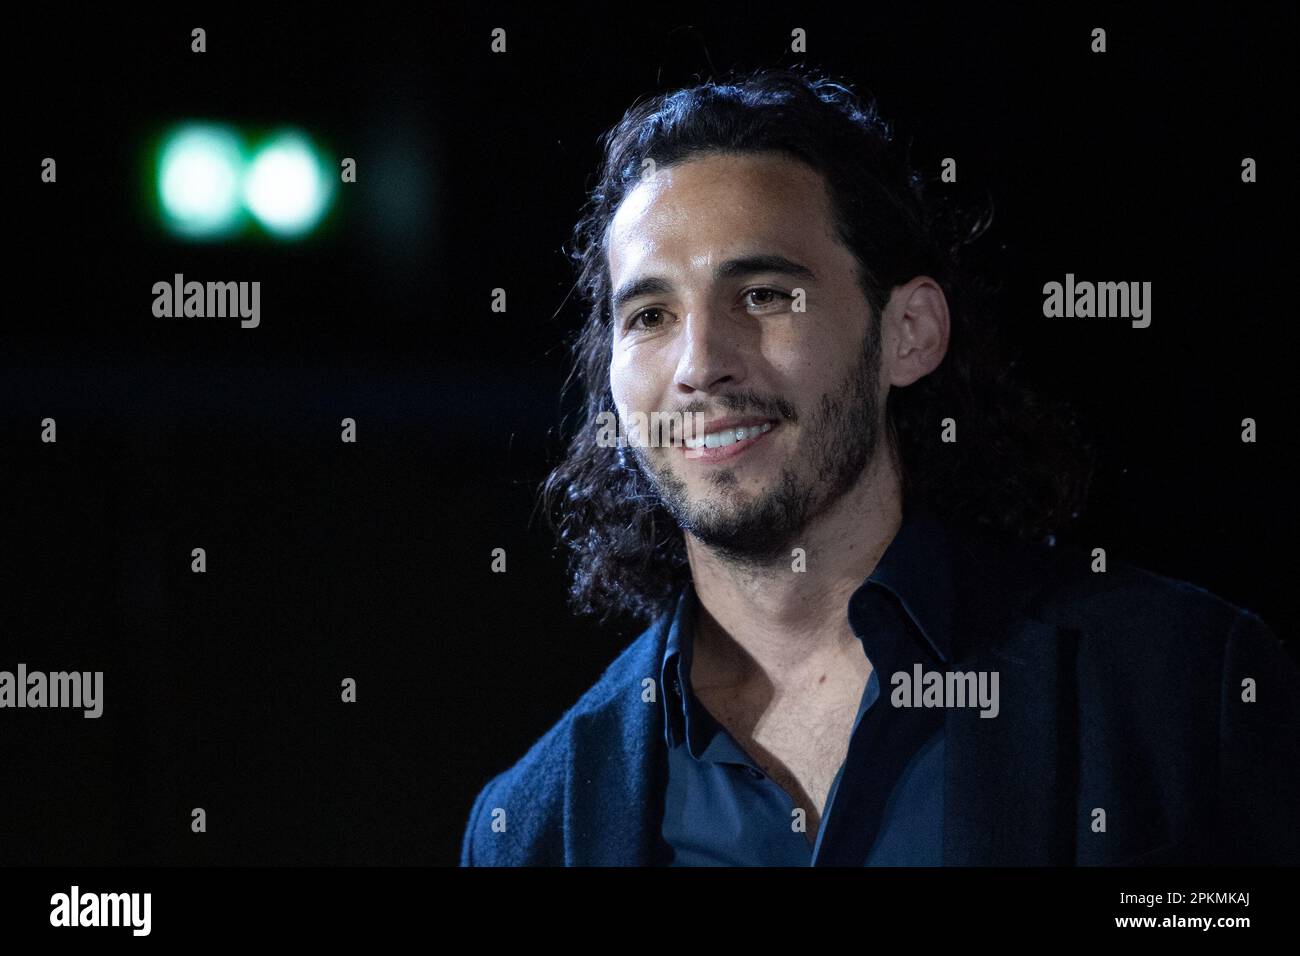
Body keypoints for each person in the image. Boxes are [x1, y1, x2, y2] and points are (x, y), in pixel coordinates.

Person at [459, 67, 1299, 866]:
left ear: (910, 333)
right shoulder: (530, 825)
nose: (701, 362)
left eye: (763, 295)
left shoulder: (1184, 688)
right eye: (649, 315)